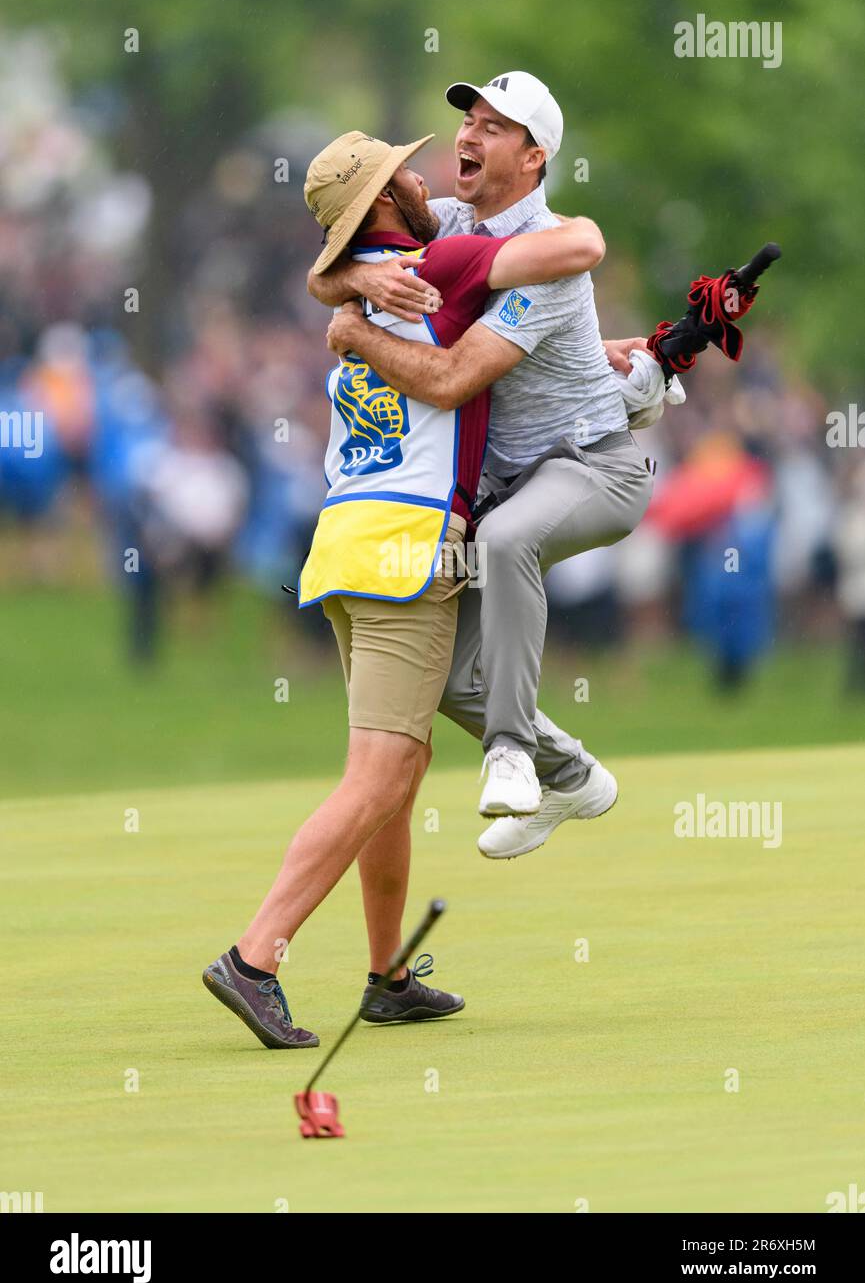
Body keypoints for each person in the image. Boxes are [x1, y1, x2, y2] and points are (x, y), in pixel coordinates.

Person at [203, 129, 609, 1048]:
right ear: (383, 203)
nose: (424, 177)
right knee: (382, 770)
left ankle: (386, 975)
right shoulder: (449, 261)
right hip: (409, 551)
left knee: (401, 766)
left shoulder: (363, 283)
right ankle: (255, 955)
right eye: (403, 173)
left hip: (344, 541)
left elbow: (330, 284)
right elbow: (579, 245)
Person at [315, 71, 653, 858]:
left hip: (593, 467)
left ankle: (509, 752)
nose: (467, 135)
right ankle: (569, 776)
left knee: (505, 546)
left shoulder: (560, 254)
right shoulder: (453, 221)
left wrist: (357, 332)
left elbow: (455, 377)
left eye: (493, 127)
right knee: (451, 676)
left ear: (534, 157)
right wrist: (356, 277)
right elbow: (334, 262)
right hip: (507, 487)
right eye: (469, 119)